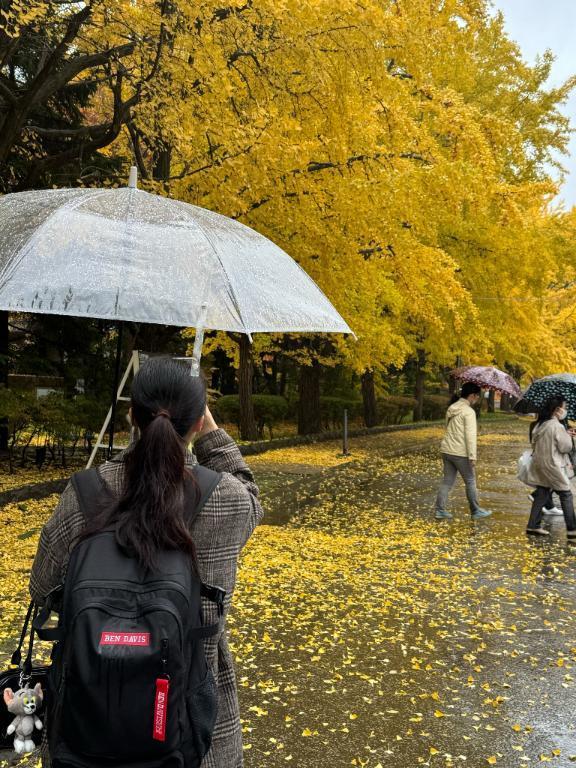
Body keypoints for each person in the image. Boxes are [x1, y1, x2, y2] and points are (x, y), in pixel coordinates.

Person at [29, 357, 263, 767]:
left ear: (130, 417)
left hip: (88, 721)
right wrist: (211, 435)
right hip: (193, 727)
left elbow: (42, 588)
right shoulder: (226, 499)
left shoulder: (85, 492)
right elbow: (251, 495)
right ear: (197, 422)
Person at [435, 382, 492, 520]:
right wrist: (472, 456)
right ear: (472, 395)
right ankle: (476, 511)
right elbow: (470, 436)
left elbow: (447, 427)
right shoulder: (469, 412)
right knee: (470, 481)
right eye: (477, 396)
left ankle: (440, 510)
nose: (477, 399)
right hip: (460, 452)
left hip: (447, 450)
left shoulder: (452, 407)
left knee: (447, 481)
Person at [525, 395, 576, 537]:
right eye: (564, 407)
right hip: (553, 465)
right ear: (557, 410)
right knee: (566, 494)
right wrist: (568, 436)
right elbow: (565, 447)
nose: (565, 410)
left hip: (540, 463)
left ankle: (533, 526)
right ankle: (572, 530)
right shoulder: (557, 426)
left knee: (542, 493)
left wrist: (564, 433)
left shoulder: (540, 424)